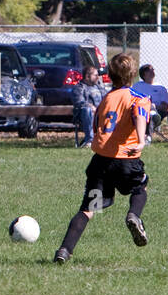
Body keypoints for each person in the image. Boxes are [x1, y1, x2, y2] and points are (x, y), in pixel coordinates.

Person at [53, 53, 151, 264]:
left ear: (110, 75)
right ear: (133, 74)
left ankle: (64, 250)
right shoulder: (137, 96)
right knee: (140, 187)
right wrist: (141, 140)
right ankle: (134, 215)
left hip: (101, 162)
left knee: (89, 209)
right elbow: (139, 114)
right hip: (125, 160)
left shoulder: (106, 98)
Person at [132, 64, 168, 141]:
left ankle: (147, 137)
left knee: (151, 114)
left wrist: (155, 106)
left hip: (158, 111)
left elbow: (166, 106)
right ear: (143, 74)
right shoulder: (137, 86)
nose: (152, 71)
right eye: (149, 70)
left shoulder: (161, 87)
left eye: (153, 69)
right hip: (140, 110)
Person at [71, 64, 106, 148]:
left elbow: (107, 99)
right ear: (87, 76)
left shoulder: (99, 87)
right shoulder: (79, 88)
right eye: (95, 75)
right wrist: (91, 107)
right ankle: (90, 140)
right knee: (87, 110)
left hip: (101, 114)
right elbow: (79, 102)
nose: (98, 77)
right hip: (84, 115)